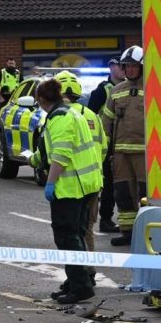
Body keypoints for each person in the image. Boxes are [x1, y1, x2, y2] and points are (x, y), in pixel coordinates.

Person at [29, 79, 101, 303]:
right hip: (87, 185)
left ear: (41, 99)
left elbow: (61, 156)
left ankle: (80, 287)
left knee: (66, 236)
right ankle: (75, 282)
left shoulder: (60, 118)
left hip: (71, 188)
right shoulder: (71, 113)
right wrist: (35, 159)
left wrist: (50, 183)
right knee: (76, 235)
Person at [55, 70, 107, 259]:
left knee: (71, 234)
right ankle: (89, 271)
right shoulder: (93, 115)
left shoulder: (61, 115)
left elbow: (56, 153)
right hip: (94, 182)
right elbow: (103, 148)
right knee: (87, 229)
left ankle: (80, 276)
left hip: (70, 187)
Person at [100, 46, 146, 246]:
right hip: (120, 154)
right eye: (126, 66)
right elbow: (106, 123)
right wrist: (103, 151)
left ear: (142, 67)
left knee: (146, 195)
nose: (129, 70)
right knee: (124, 195)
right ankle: (128, 233)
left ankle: (148, 233)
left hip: (146, 153)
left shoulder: (154, 88)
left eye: (134, 66)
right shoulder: (117, 91)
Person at [88, 58, 125, 233]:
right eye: (120, 65)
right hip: (107, 143)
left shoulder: (127, 87)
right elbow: (91, 115)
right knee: (109, 185)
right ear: (111, 67)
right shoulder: (103, 90)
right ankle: (106, 219)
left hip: (124, 141)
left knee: (123, 184)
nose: (123, 69)